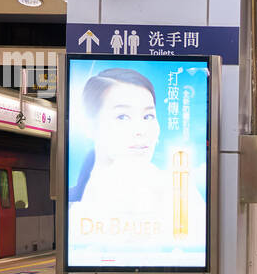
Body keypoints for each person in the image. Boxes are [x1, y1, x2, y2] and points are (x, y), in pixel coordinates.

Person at [68, 67, 208, 264]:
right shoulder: (78, 204)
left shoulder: (180, 194)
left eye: (148, 116)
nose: (140, 130)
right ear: (91, 125)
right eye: (122, 117)